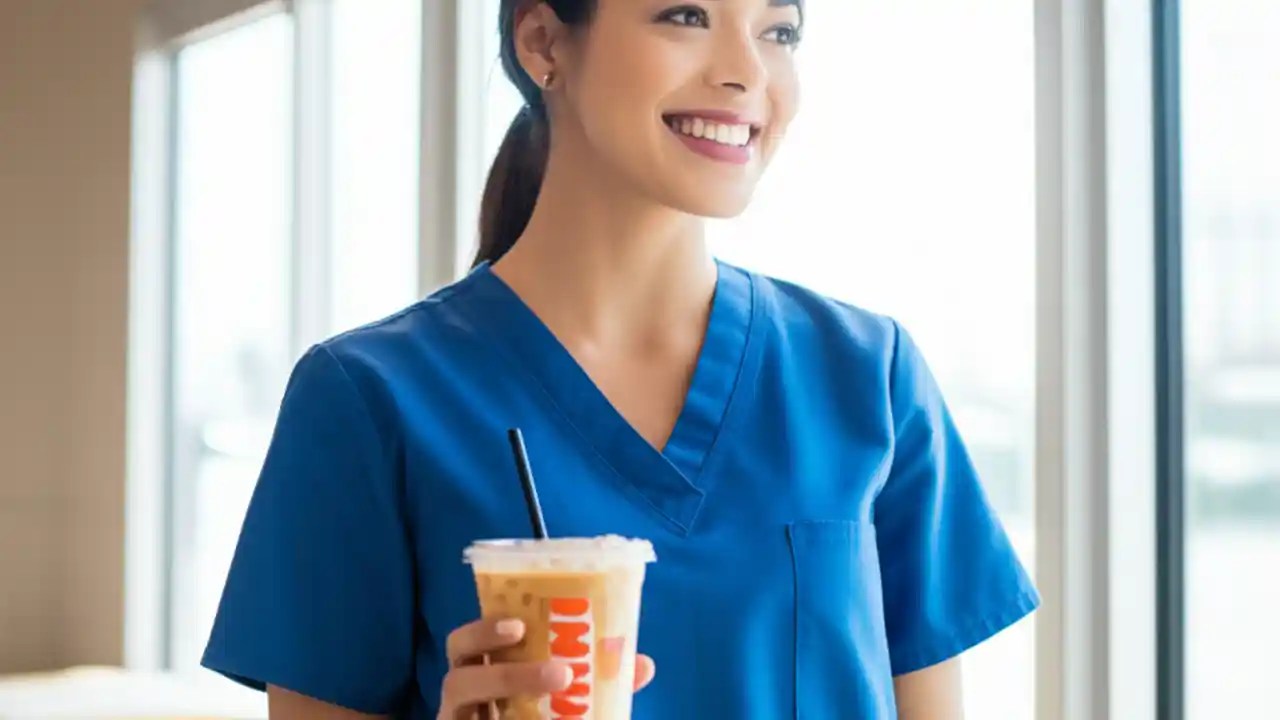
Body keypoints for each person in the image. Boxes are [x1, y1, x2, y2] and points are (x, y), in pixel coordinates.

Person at [201, 0, 1039, 717]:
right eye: (685, 16)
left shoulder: (869, 377)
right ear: (544, 42)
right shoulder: (368, 399)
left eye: (779, 31)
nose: (746, 70)